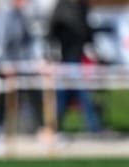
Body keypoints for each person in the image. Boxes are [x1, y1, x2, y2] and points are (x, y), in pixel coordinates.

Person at [0, 0, 44, 152]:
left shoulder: (22, 15)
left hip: (20, 65)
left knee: (32, 95)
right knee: (3, 101)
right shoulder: (4, 15)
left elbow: (27, 42)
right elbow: (0, 41)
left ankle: (43, 131)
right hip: (5, 66)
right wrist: (4, 63)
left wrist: (33, 61)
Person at [48, 0, 102, 133]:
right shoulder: (62, 6)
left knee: (82, 92)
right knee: (62, 94)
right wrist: (54, 51)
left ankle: (93, 126)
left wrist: (91, 47)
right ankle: (54, 127)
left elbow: (87, 30)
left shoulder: (83, 6)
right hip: (64, 57)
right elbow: (53, 31)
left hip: (79, 56)